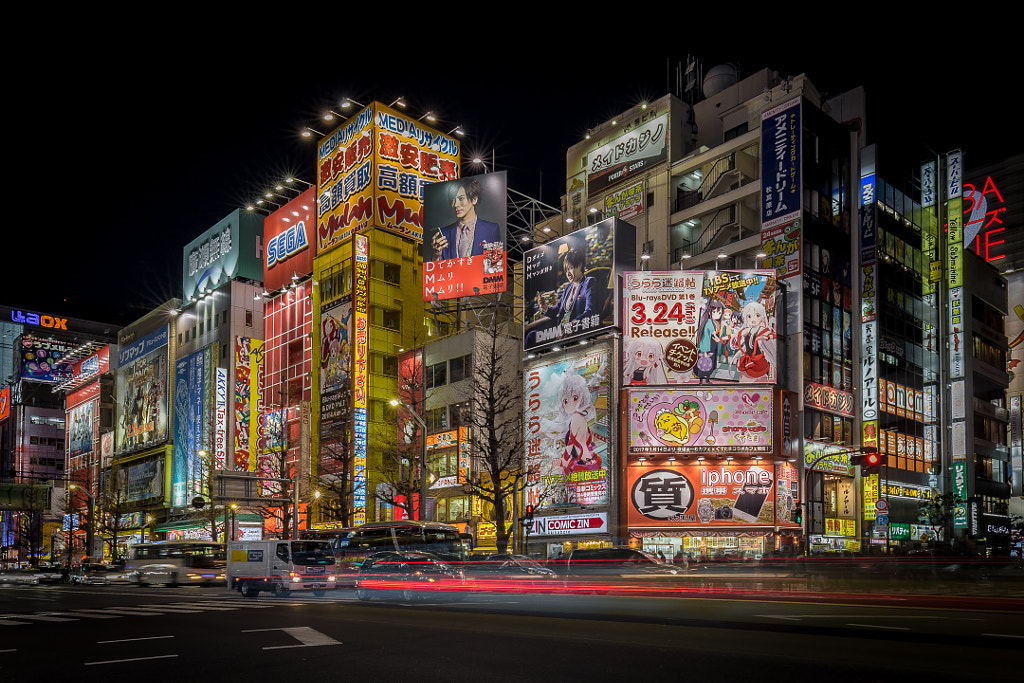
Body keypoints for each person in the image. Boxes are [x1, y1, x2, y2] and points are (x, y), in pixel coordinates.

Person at [430, 177, 501, 260]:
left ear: (474, 199)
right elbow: (438, 266)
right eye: (453, 200)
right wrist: (436, 255)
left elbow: (495, 264)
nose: (456, 204)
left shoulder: (491, 230)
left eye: (461, 198)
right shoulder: (443, 233)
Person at [537, 248, 596, 328]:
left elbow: (590, 311)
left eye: (570, 268)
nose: (568, 274)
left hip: (576, 329)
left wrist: (575, 323)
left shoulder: (588, 282)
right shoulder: (568, 287)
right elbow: (557, 310)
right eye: (566, 271)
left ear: (579, 265)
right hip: (561, 329)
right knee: (532, 334)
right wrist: (545, 307)